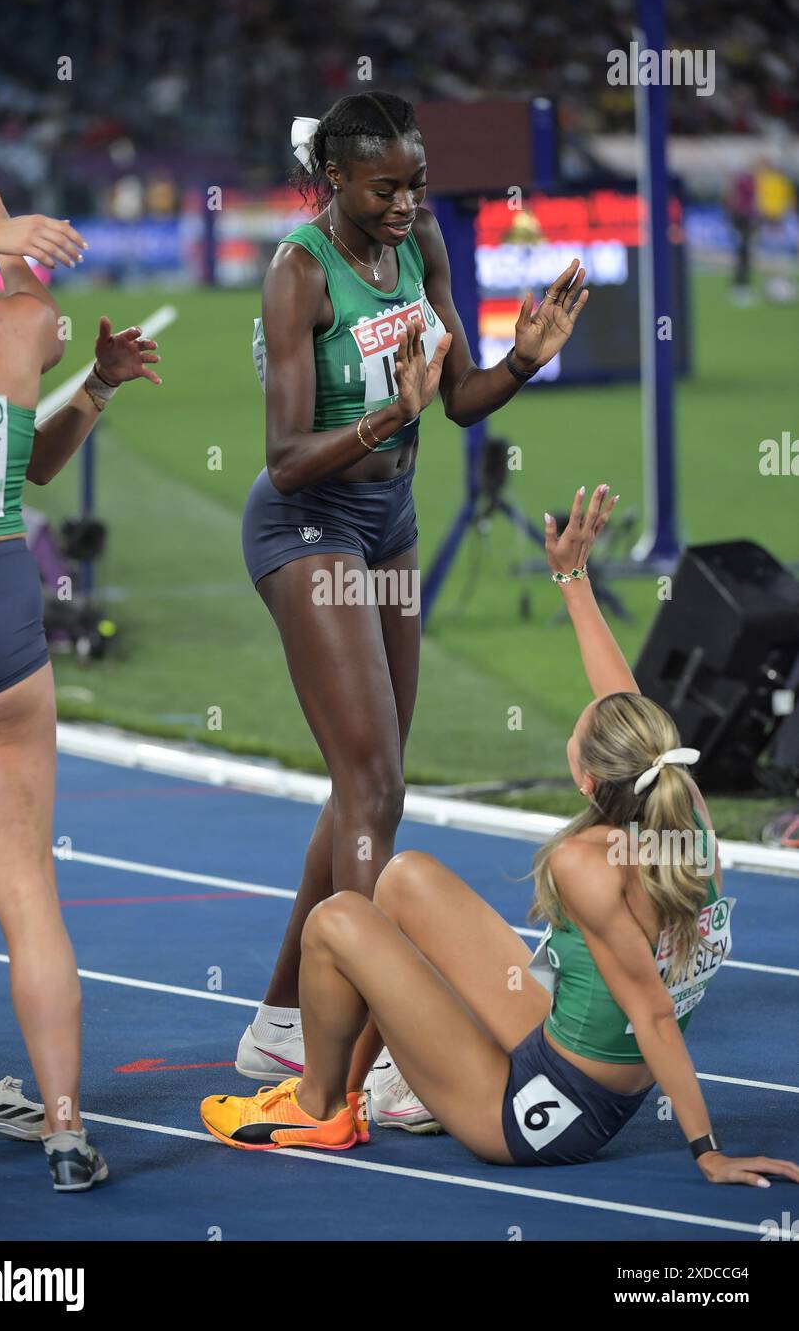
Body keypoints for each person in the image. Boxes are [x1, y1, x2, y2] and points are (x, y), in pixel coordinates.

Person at [202, 482, 799, 1190]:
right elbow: (622, 701)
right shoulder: (682, 805)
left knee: (334, 921)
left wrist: (708, 1151)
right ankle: (353, 1095)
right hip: (571, 1047)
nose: (583, 720)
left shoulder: (584, 864)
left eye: (576, 731)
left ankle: (318, 1107)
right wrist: (573, 579)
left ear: (586, 780)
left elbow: (652, 1014)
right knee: (403, 877)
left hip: (530, 1116)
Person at [238, 90, 588, 1129]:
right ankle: (367, 1053)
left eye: (415, 185)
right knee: (374, 782)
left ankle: (282, 1019)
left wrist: (521, 360)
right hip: (309, 524)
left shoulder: (422, 243)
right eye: (383, 188)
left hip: (388, 522)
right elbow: (284, 459)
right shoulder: (300, 273)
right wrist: (386, 415)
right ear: (335, 179)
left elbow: (461, 397)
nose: (404, 204)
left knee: (367, 781)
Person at [0, 167, 161, 1190]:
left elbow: (37, 462)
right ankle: (62, 1129)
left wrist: (99, 389)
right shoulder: (22, 322)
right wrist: (7, 239)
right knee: (20, 886)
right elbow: (26, 449)